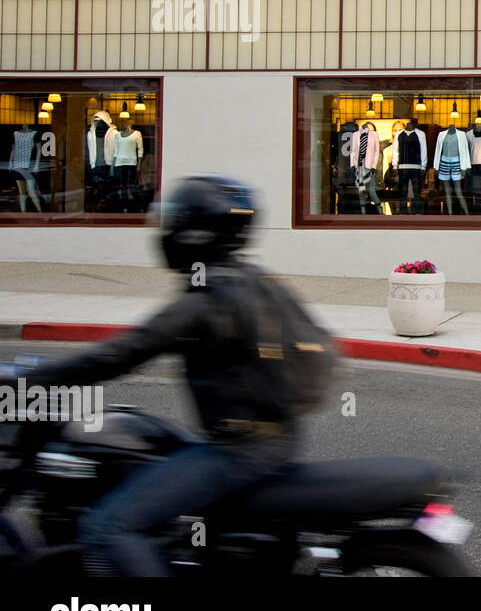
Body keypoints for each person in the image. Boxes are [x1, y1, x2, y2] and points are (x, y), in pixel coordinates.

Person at [25, 174, 322, 577]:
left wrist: (34, 379)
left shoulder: (205, 300)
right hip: (277, 436)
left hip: (239, 451)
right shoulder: (253, 279)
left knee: (106, 527)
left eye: (175, 221)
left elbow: (120, 354)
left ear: (193, 232)